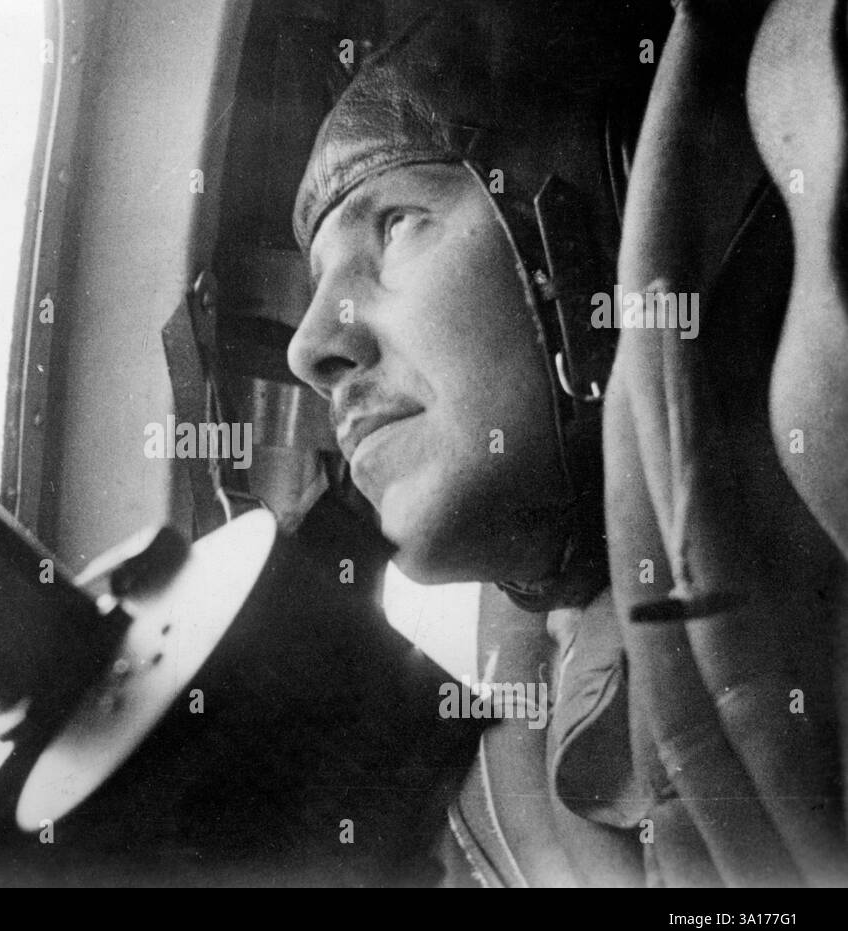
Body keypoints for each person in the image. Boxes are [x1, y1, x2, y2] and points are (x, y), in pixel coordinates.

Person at [286, 0, 847, 886]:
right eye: (317, 282)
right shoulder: (493, 797)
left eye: (393, 225)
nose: (310, 346)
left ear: (595, 227)